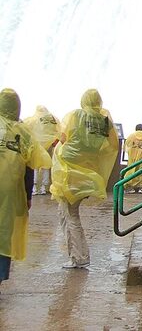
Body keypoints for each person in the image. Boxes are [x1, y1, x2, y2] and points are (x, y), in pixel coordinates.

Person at [50, 89, 118, 269]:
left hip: (69, 170)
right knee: (64, 211)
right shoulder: (105, 121)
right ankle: (76, 254)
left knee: (71, 214)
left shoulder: (75, 115)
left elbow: (63, 138)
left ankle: (79, 257)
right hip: (88, 172)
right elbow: (113, 145)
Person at [0, 89, 51, 291]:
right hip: (11, 191)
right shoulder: (24, 133)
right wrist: (28, 197)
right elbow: (30, 167)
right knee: (4, 232)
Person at [23, 105, 60, 195]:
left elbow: (26, 128)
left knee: (35, 165)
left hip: (37, 146)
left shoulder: (33, 119)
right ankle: (44, 187)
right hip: (49, 146)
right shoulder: (53, 118)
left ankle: (34, 188)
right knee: (46, 166)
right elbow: (58, 130)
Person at [123, 124, 142, 193]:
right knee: (140, 171)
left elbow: (127, 145)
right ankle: (140, 187)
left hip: (132, 156)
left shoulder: (132, 136)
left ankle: (128, 186)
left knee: (130, 170)